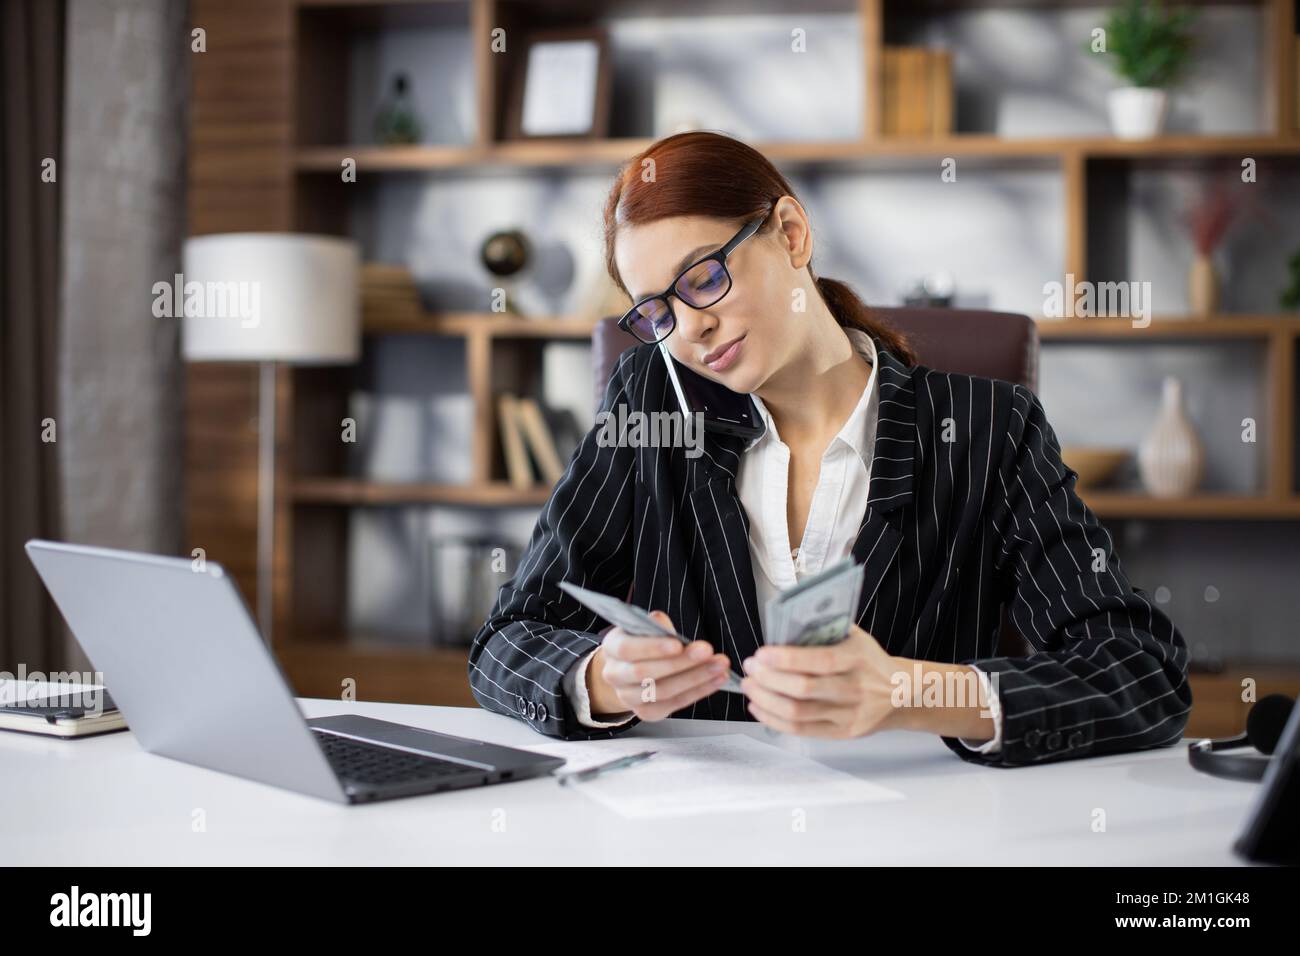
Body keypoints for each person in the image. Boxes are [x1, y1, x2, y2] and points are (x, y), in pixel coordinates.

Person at [468, 131, 1191, 766]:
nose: (690, 330)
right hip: (697, 838)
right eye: (657, 312)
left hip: (918, 835)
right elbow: (507, 639)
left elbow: (1142, 674)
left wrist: (912, 692)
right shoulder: (652, 403)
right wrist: (603, 678)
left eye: (703, 279)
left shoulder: (986, 429)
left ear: (790, 233)